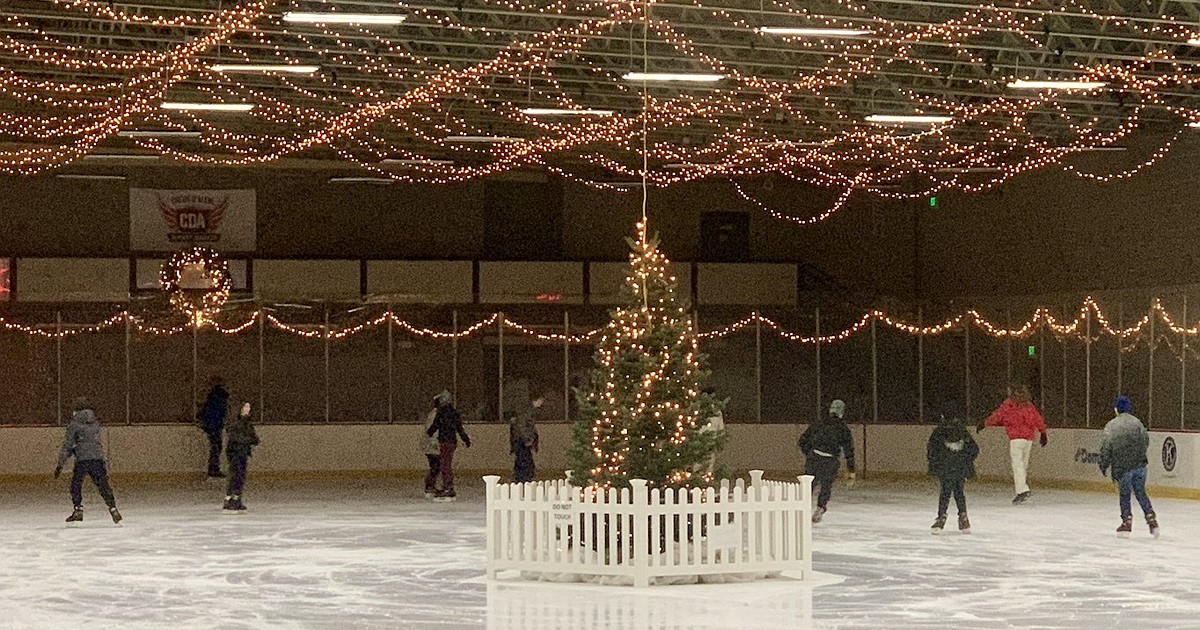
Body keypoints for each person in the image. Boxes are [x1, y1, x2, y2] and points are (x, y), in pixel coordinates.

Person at [1098, 396, 1159, 538]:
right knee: (1140, 492)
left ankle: (1127, 523)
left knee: (1125, 494)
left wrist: (1104, 464)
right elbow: (1145, 440)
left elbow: (1106, 447)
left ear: (1116, 409)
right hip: (1140, 465)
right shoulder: (1137, 423)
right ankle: (1152, 520)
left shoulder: (1112, 426)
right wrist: (1140, 456)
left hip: (1123, 467)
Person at [55, 397, 122, 524]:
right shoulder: (95, 423)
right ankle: (113, 508)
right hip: (97, 458)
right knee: (103, 484)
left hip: (83, 460)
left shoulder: (74, 424)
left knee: (76, 484)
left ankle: (78, 509)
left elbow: (68, 445)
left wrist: (60, 464)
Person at [982, 384, 1047, 504]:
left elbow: (997, 416)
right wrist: (1043, 432)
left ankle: (1022, 490)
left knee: (1018, 465)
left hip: (1017, 439)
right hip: (1028, 439)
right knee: (1023, 465)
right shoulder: (1028, 405)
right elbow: (1037, 418)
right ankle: (1022, 489)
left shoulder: (1009, 405)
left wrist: (985, 423)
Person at [798, 399, 856, 524]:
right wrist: (851, 470)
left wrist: (809, 452)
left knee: (809, 484)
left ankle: (802, 508)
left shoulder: (819, 423)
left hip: (814, 457)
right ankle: (820, 508)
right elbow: (849, 451)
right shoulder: (843, 428)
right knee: (826, 485)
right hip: (830, 460)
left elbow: (803, 439)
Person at [926, 410, 979, 535]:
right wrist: (965, 461)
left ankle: (941, 517)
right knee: (959, 492)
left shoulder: (939, 431)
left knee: (945, 492)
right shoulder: (963, 431)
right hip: (960, 468)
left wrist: (935, 465)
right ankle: (963, 517)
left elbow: (931, 450)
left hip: (945, 468)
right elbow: (974, 449)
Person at [426, 390, 471, 499]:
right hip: (452, 441)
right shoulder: (454, 413)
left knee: (445, 465)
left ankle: (448, 487)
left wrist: (429, 433)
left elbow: (435, 425)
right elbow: (459, 428)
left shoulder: (441, 412)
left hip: (444, 441)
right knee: (446, 463)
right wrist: (466, 439)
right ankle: (447, 486)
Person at [223, 402, 260, 512]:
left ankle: (237, 498)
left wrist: (251, 440)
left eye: (249, 407)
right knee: (235, 474)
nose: (247, 409)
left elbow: (254, 438)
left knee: (241, 476)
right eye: (245, 407)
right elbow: (235, 436)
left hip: (243, 452)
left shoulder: (248, 423)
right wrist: (247, 440)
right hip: (234, 451)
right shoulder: (234, 422)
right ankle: (229, 498)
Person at [506, 380, 541, 483]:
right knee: (524, 460)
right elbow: (522, 425)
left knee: (523, 459)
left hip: (521, 439)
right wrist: (527, 438)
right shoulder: (527, 411)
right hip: (521, 440)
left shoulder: (528, 410)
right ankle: (523, 478)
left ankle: (522, 478)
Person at [198, 376, 230, 479]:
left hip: (212, 424)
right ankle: (213, 469)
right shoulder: (219, 399)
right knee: (216, 446)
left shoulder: (212, 398)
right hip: (214, 425)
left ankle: (213, 468)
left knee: (216, 446)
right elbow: (219, 414)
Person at [421, 405, 441, 498]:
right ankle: (429, 486)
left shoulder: (435, 414)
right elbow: (432, 429)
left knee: (436, 466)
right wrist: (434, 442)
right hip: (431, 445)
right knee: (435, 466)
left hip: (431, 444)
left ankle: (430, 485)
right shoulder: (435, 415)